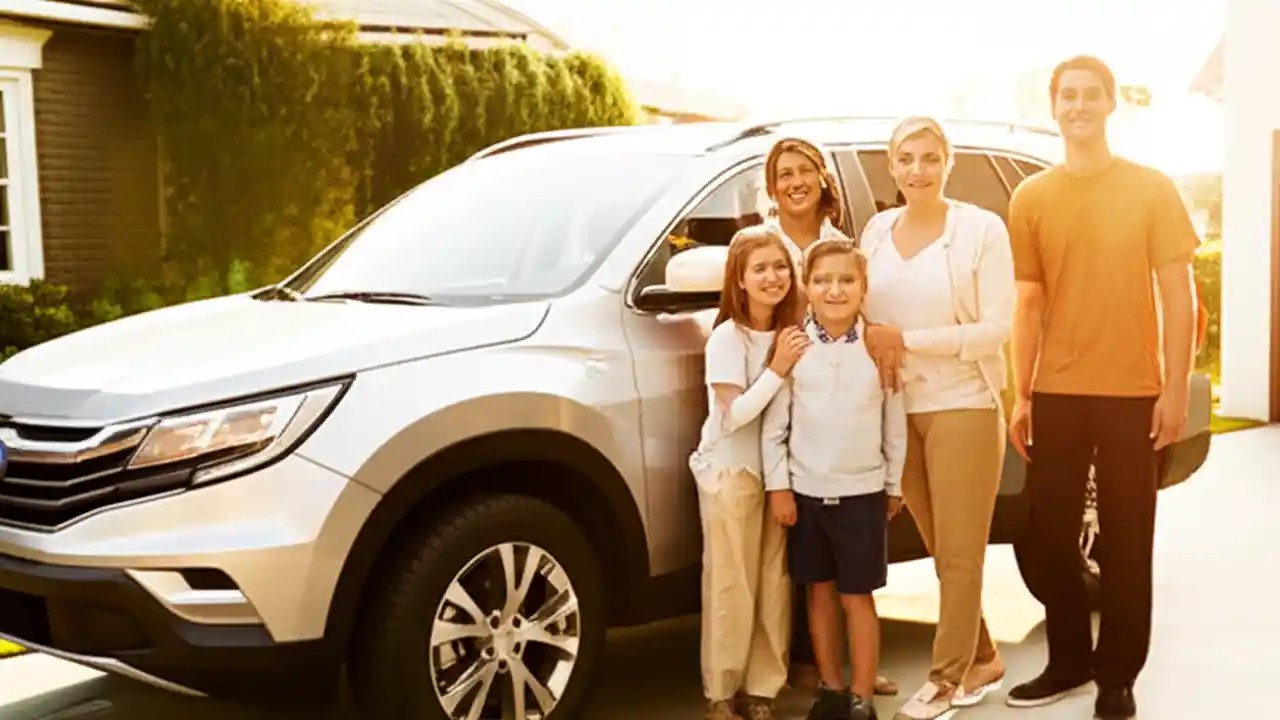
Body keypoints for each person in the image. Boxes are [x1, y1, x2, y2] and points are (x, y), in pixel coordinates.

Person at [1003, 55, 1200, 720]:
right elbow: (1026, 303)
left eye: (1091, 95)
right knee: (1050, 534)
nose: (1079, 106)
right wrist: (1019, 393)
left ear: (1111, 104)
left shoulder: (1150, 188)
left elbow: (1180, 294)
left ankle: (1117, 676)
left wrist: (1173, 390)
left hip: (1131, 395)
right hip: (1056, 393)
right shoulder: (1031, 198)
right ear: (1053, 106)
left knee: (1126, 538)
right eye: (1068, 96)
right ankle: (1066, 661)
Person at [857, 116, 1016, 720]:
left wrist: (909, 340)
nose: (917, 170)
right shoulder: (875, 229)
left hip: (963, 402)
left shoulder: (980, 229)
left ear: (947, 163)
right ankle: (983, 655)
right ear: (892, 167)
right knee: (937, 546)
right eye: (906, 159)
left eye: (929, 158)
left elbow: (996, 329)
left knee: (960, 550)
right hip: (900, 408)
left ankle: (946, 679)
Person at [760, 135, 901, 699]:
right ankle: (824, 676)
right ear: (771, 188)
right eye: (782, 174)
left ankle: (856, 686)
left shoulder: (845, 247)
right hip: (787, 387)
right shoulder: (762, 244)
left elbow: (875, 317)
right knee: (808, 574)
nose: (794, 182)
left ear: (822, 178)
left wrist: (884, 333)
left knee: (851, 586)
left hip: (853, 440)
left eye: (804, 171)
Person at [688, 225, 810, 720]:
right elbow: (736, 413)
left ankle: (763, 687)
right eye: (759, 268)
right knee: (730, 582)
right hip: (731, 471)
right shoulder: (726, 338)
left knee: (772, 582)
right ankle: (722, 691)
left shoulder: (790, 334)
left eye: (780, 267)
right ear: (738, 280)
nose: (772, 277)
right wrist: (778, 368)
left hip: (776, 473)